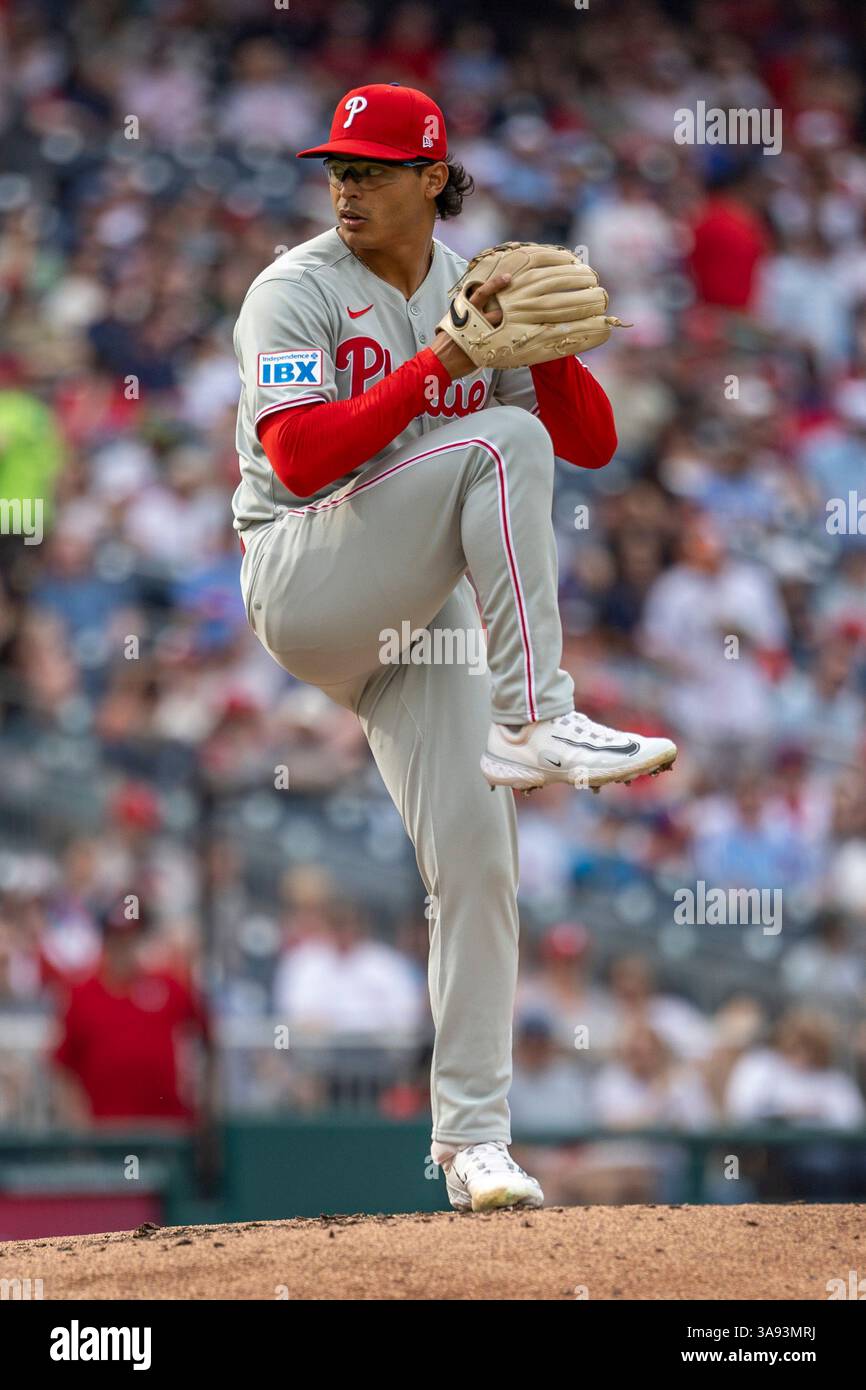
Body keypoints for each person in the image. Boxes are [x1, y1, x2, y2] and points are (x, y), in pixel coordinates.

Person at [231, 82, 676, 1212]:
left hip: (415, 623)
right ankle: (537, 711)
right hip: (306, 572)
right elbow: (294, 461)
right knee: (491, 443)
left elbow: (588, 440)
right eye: (336, 165)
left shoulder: (473, 286)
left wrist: (549, 342)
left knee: (480, 863)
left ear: (432, 177)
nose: (344, 184)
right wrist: (444, 369)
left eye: (372, 167)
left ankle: (472, 1142)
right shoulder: (294, 291)